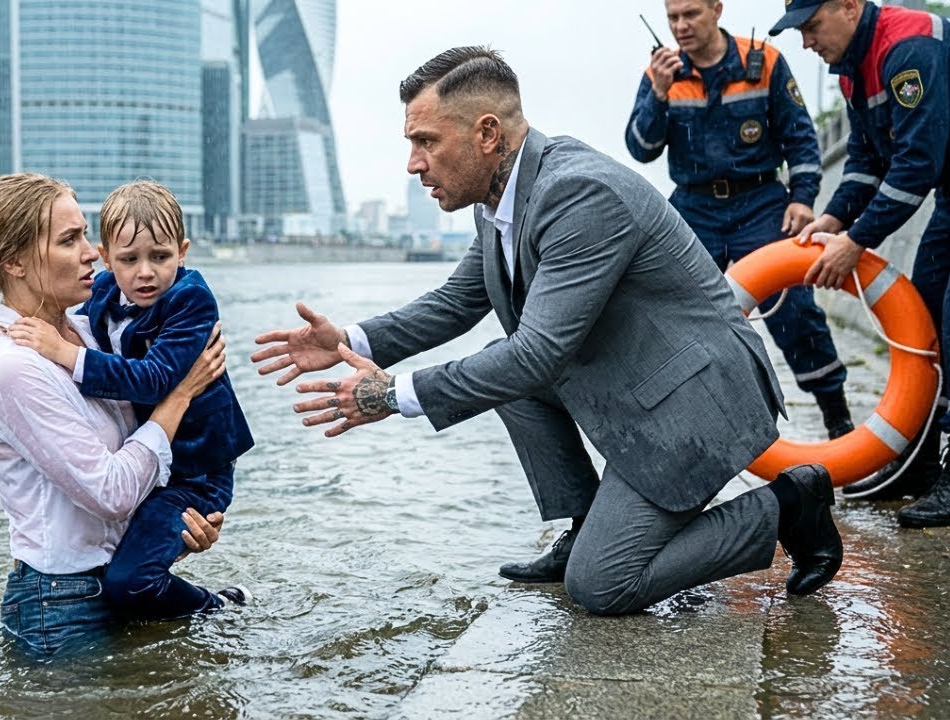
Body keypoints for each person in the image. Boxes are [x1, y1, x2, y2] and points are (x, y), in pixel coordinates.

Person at [251, 46, 844, 616]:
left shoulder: (578, 194)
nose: (413, 163)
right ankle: (585, 524)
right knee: (498, 366)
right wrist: (348, 341)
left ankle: (789, 505)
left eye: (426, 141)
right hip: (641, 380)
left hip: (695, 401)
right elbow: (457, 302)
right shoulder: (500, 198)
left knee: (602, 584)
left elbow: (536, 355)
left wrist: (392, 395)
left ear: (488, 134)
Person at [0, 172, 238, 656]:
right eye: (69, 240)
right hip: (62, 610)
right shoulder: (14, 367)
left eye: (84, 235)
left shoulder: (90, 330)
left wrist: (178, 528)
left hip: (119, 589)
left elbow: (137, 459)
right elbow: (112, 492)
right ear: (13, 261)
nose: (91, 254)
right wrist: (180, 395)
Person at [6, 179, 254, 620]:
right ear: (107, 259)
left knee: (130, 581)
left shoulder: (191, 300)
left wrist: (63, 352)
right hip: (153, 463)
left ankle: (215, 607)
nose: (145, 272)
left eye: (160, 257)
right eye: (129, 259)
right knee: (130, 572)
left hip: (196, 470)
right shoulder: (100, 293)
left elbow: (153, 380)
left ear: (182, 252)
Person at [626, 0, 854, 440]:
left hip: (760, 202)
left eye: (691, 14)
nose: (680, 26)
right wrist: (658, 93)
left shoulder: (764, 62)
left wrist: (803, 199)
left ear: (716, 9)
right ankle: (687, 431)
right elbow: (640, 148)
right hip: (695, 207)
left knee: (795, 312)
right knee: (676, 318)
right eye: (673, 17)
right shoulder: (661, 73)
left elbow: (801, 138)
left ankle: (838, 419)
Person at [770, 0, 950, 523]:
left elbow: (916, 166)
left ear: (848, 7)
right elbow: (867, 163)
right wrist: (832, 220)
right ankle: (918, 464)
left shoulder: (908, 48)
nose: (806, 42)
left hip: (939, 181)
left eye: (811, 27)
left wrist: (856, 241)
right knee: (926, 313)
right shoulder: (853, 69)